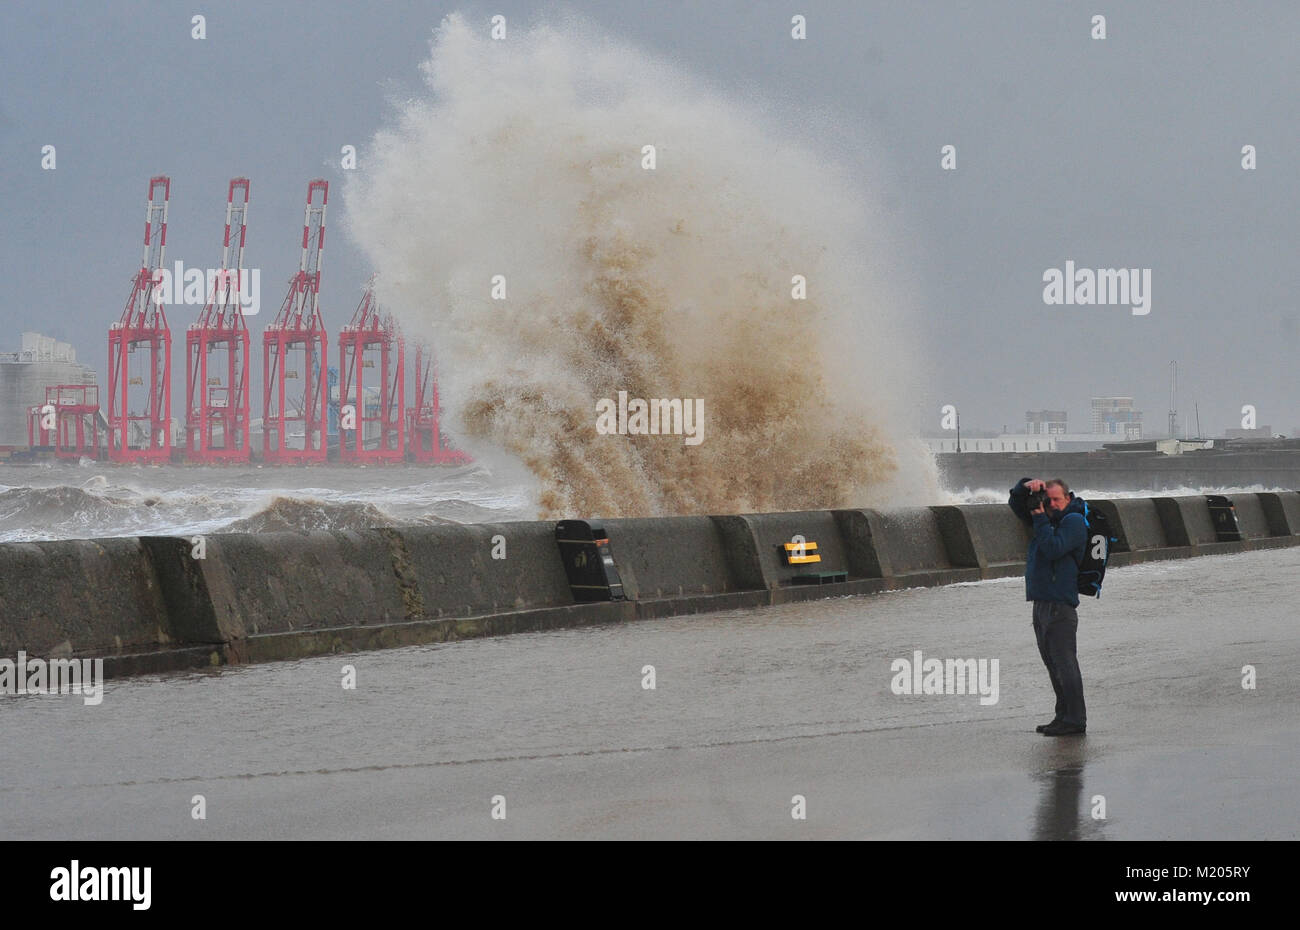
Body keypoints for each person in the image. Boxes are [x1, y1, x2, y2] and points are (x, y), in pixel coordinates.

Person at [1008, 477, 1088, 736]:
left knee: (1065, 664)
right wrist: (1025, 486)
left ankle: (1076, 719)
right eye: (1048, 499)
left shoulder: (1073, 521)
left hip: (1060, 605)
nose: (1051, 504)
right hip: (1042, 601)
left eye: (1056, 499)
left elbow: (1054, 549)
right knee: (1052, 664)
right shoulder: (1048, 519)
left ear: (1067, 498)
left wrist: (1041, 518)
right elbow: (1015, 504)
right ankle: (1062, 715)